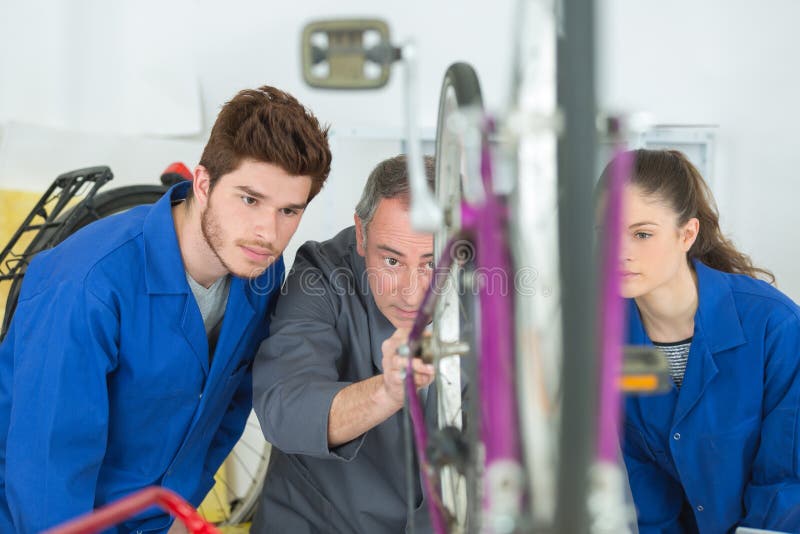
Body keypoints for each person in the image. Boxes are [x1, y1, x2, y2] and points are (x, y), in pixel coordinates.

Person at [0, 85, 331, 533]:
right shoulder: (87, 285)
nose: (268, 233)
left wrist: (178, 506)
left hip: (156, 517)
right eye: (250, 199)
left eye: (289, 211)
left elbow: (230, 407)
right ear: (203, 184)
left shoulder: (261, 274)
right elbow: (45, 477)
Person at [607, 149, 800, 533]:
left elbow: (786, 475)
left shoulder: (773, 325)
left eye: (642, 234)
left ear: (687, 234)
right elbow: (639, 472)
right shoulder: (611, 336)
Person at [251, 154, 438, 533]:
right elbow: (285, 409)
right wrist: (387, 392)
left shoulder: (487, 284)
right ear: (362, 234)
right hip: (319, 523)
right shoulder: (320, 275)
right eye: (392, 261)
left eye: (431, 263)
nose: (412, 294)